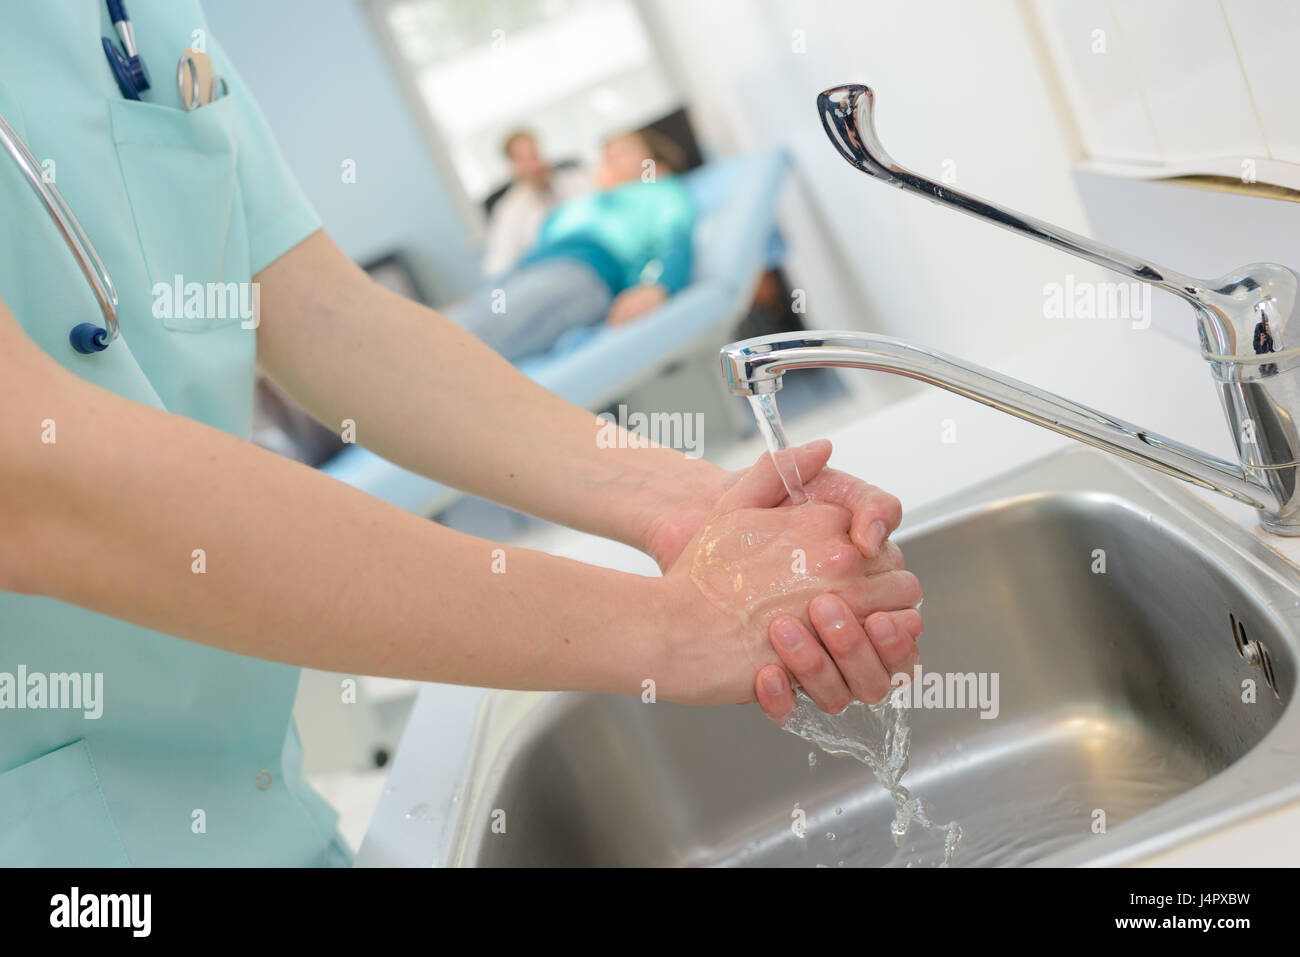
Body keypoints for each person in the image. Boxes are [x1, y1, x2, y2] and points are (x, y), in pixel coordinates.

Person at [0, 1, 921, 866]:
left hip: (250, 803)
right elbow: (32, 477)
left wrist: (696, 508)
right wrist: (675, 628)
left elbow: (323, 312)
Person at [445, 129, 695, 361]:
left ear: (658, 167)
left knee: (469, 335)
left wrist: (658, 287)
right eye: (607, 151)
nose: (609, 154)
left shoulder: (660, 191)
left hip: (579, 272)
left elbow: (677, 238)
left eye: (625, 149)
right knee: (443, 323)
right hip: (520, 275)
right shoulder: (580, 205)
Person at [481, 130, 591, 278]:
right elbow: (496, 267)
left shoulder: (576, 180)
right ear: (512, 166)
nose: (534, 165)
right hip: (547, 272)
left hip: (588, 257)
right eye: (523, 159)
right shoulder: (508, 210)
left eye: (534, 154)